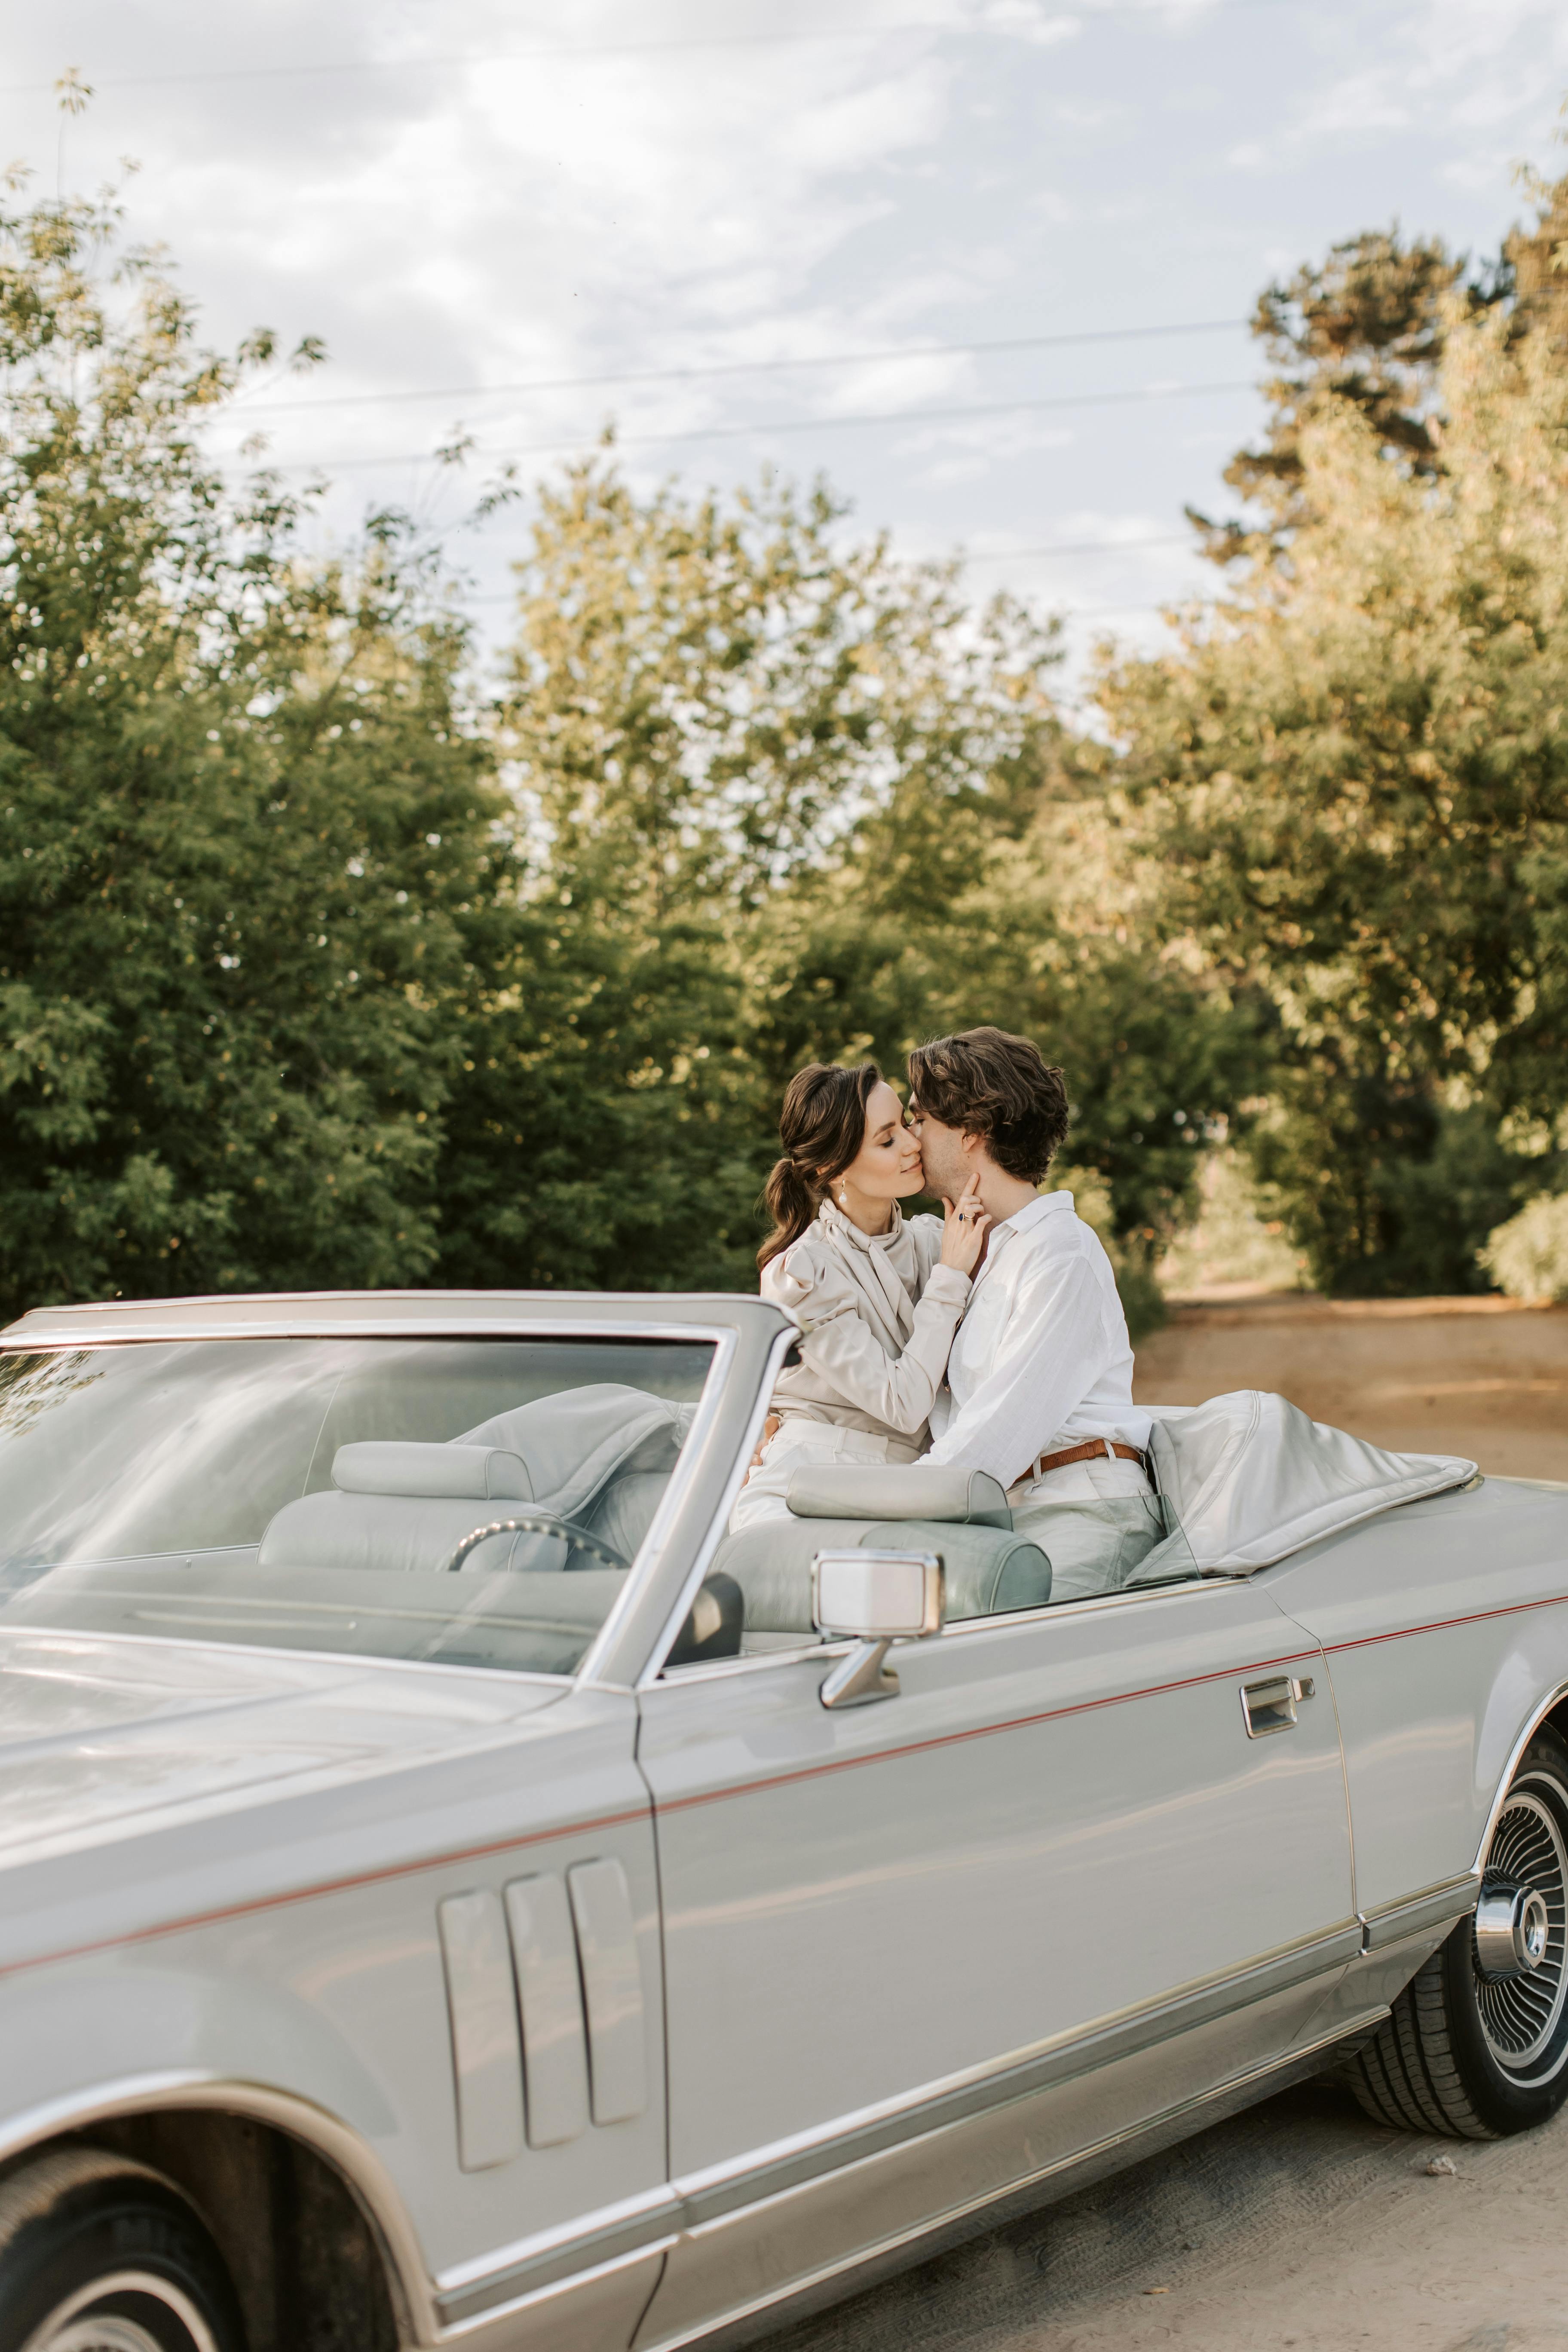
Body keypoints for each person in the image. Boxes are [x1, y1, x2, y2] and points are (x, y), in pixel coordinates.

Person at [906, 1026, 1162, 1601]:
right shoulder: (975, 1249)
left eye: (919, 1118)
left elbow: (1001, 1427)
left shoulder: (1060, 1252)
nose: (910, 1136)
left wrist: (884, 1507)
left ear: (971, 1131)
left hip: (1081, 1510)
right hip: (1011, 1515)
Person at [732, 1060, 992, 1528]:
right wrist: (950, 1280)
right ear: (833, 1169)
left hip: (908, 1492)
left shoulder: (936, 1242)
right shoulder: (803, 1272)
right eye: (887, 1140)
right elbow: (903, 1406)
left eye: (907, 1124)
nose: (913, 1144)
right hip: (805, 1495)